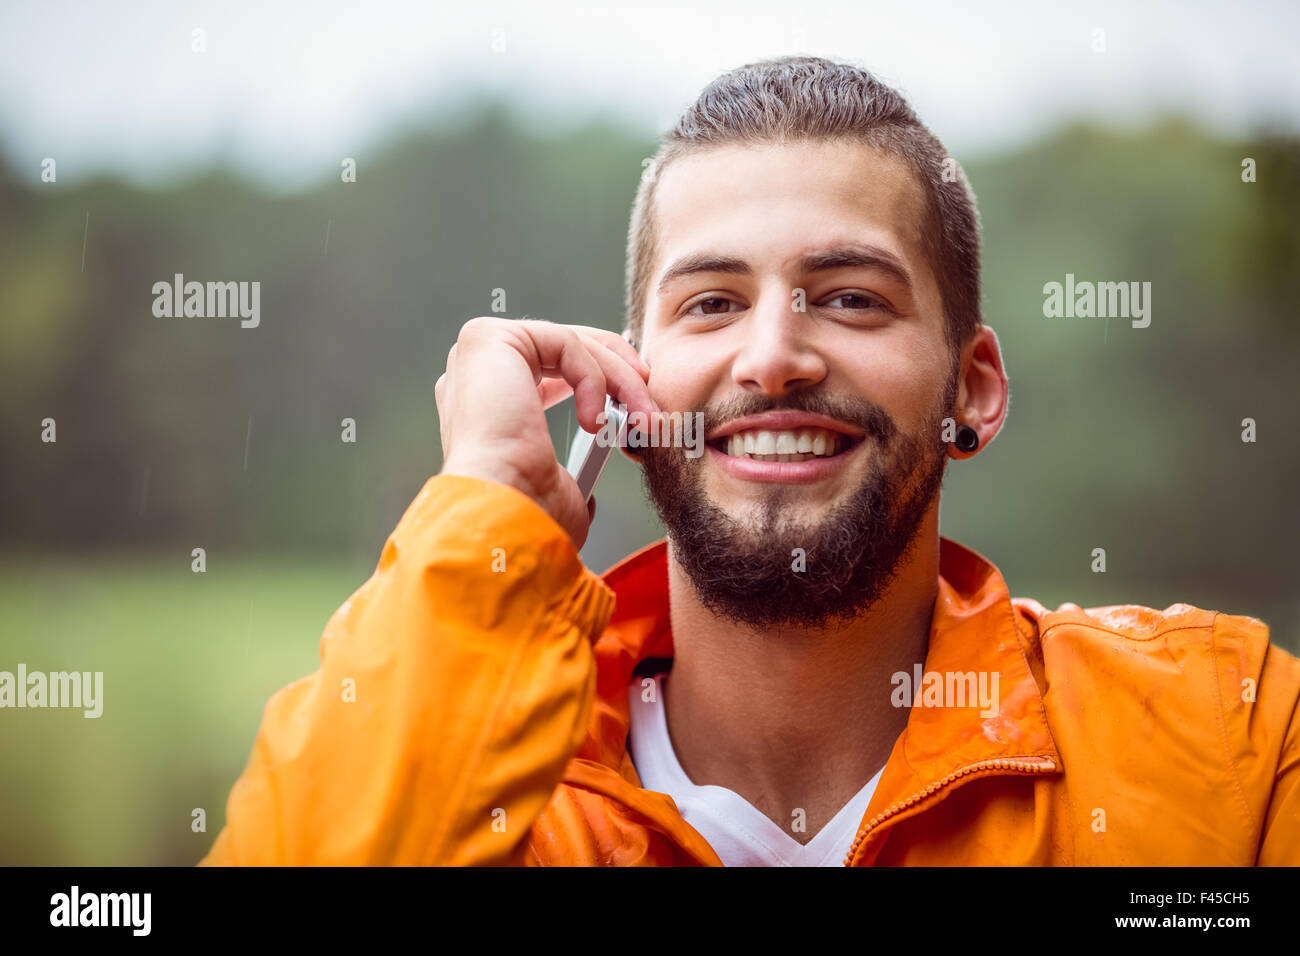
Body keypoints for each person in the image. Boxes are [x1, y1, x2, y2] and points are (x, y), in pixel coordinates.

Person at [200, 56, 1299, 866]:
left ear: (972, 384)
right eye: (712, 301)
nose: (771, 355)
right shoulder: (497, 796)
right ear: (629, 388)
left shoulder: (1225, 741)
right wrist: (492, 519)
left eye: (852, 297)